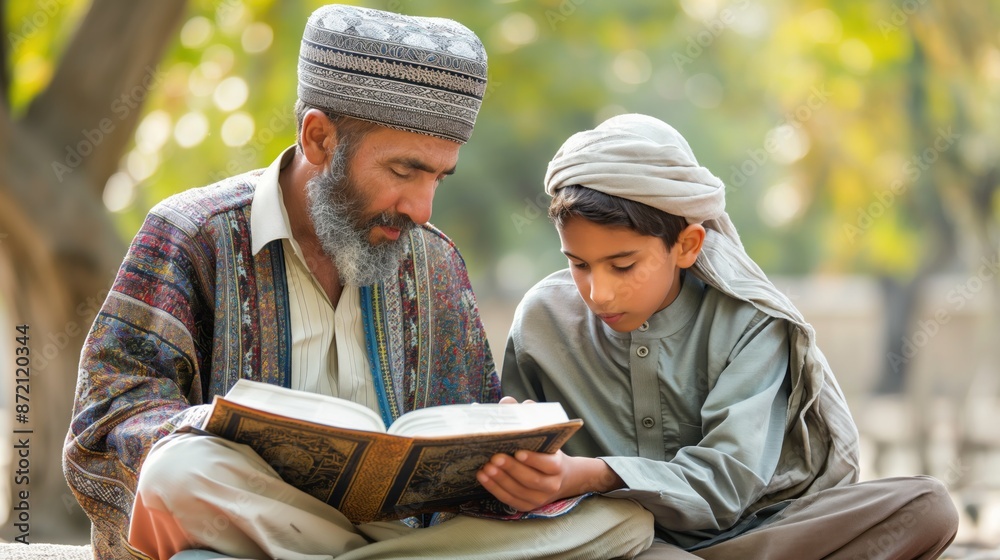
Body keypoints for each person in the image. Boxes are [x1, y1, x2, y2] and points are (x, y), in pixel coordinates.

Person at [63, 6, 652, 560]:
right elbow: (107, 420)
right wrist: (217, 427)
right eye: (403, 170)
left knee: (626, 523)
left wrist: (507, 447)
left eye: (439, 178)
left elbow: (462, 430)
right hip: (249, 511)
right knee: (180, 471)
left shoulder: (435, 263)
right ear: (319, 138)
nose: (421, 208)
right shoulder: (193, 235)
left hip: (387, 534)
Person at [486, 113, 960, 559]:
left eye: (623, 265)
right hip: (619, 542)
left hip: (757, 534)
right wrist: (515, 454)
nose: (599, 293)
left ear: (687, 245)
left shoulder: (750, 321)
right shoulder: (542, 321)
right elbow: (522, 477)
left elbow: (726, 484)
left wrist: (589, 475)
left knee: (925, 506)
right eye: (579, 264)